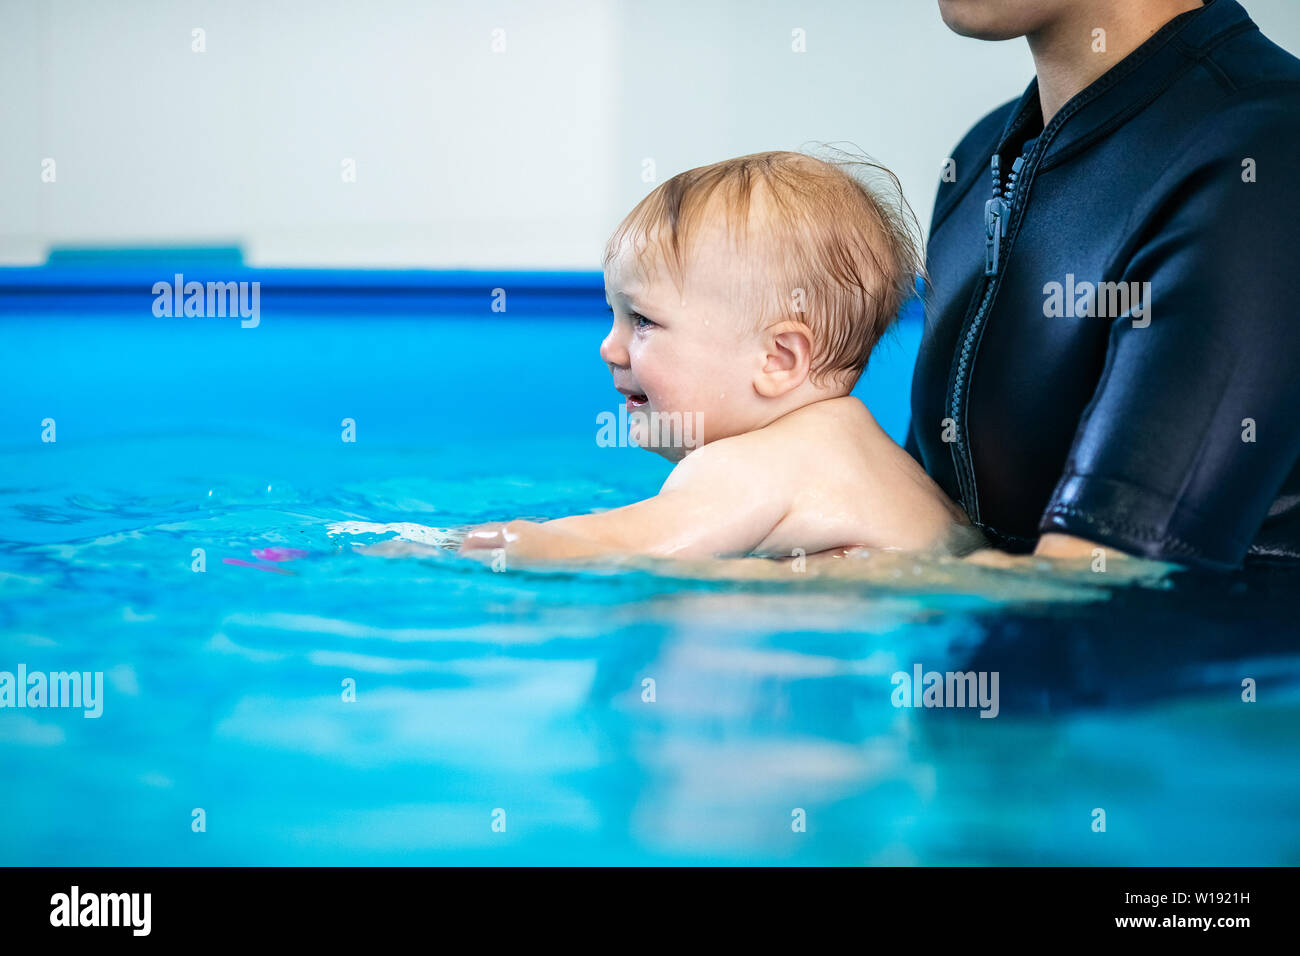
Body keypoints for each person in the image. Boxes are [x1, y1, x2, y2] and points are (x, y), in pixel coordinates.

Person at [907, 0, 1300, 571]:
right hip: (1016, 651)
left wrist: (735, 581)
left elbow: (1114, 574)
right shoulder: (979, 163)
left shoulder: (1269, 148)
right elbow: (920, 522)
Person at [460, 151, 981, 564]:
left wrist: (482, 544)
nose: (609, 348)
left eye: (642, 321)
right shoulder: (888, 466)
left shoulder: (747, 465)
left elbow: (636, 547)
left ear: (778, 358)